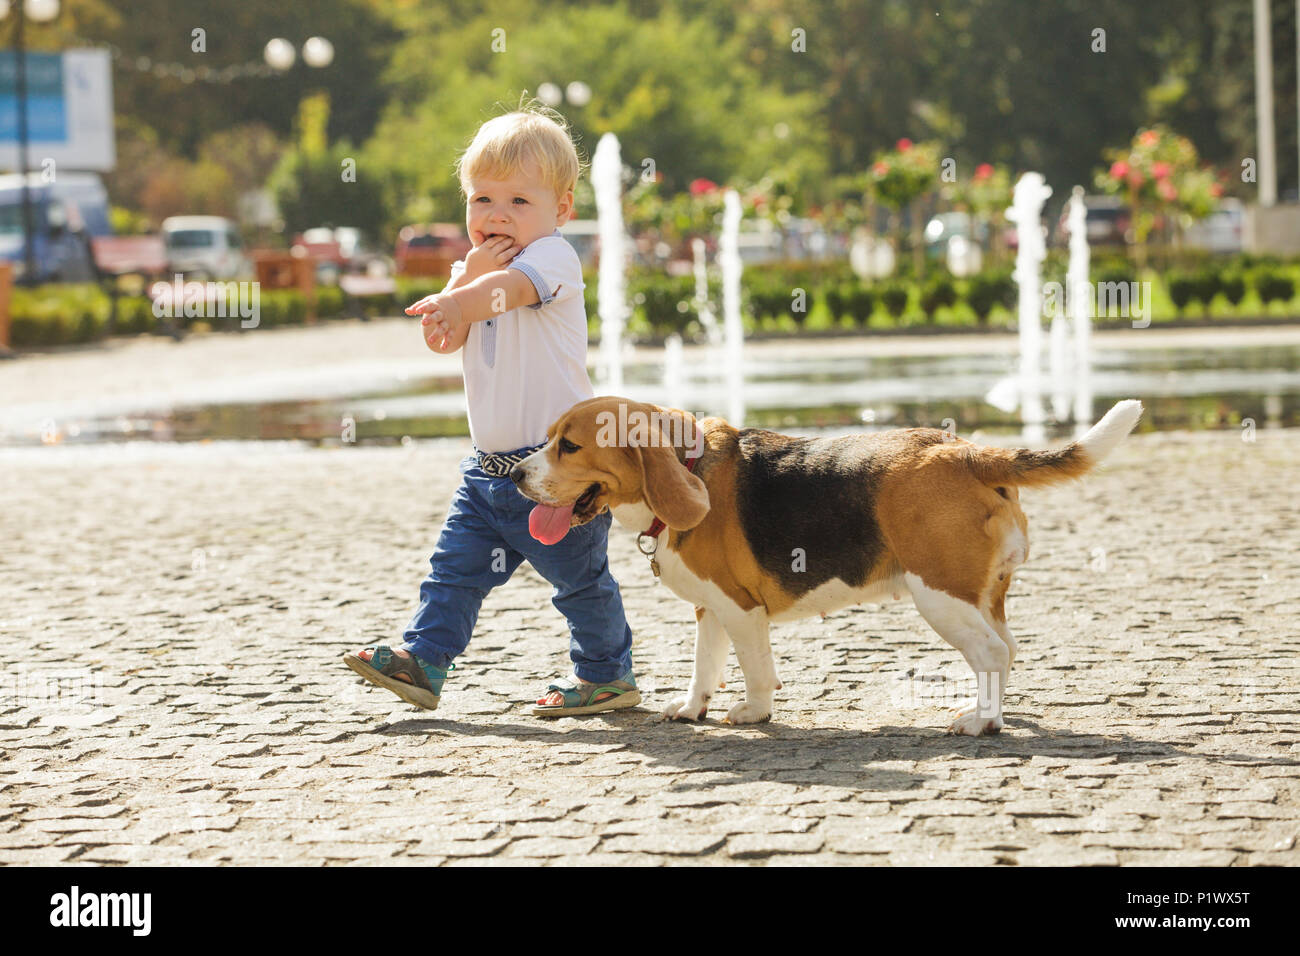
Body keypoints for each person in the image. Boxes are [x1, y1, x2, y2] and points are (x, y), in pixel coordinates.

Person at [343, 103, 639, 717]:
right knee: (453, 571)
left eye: (519, 202)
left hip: (558, 471)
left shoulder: (552, 258)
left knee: (579, 582)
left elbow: (510, 293)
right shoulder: (471, 272)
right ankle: (424, 662)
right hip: (487, 473)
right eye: (482, 200)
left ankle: (607, 675)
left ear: (561, 209)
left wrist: (467, 291)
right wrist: (459, 290)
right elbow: (443, 337)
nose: (497, 215)